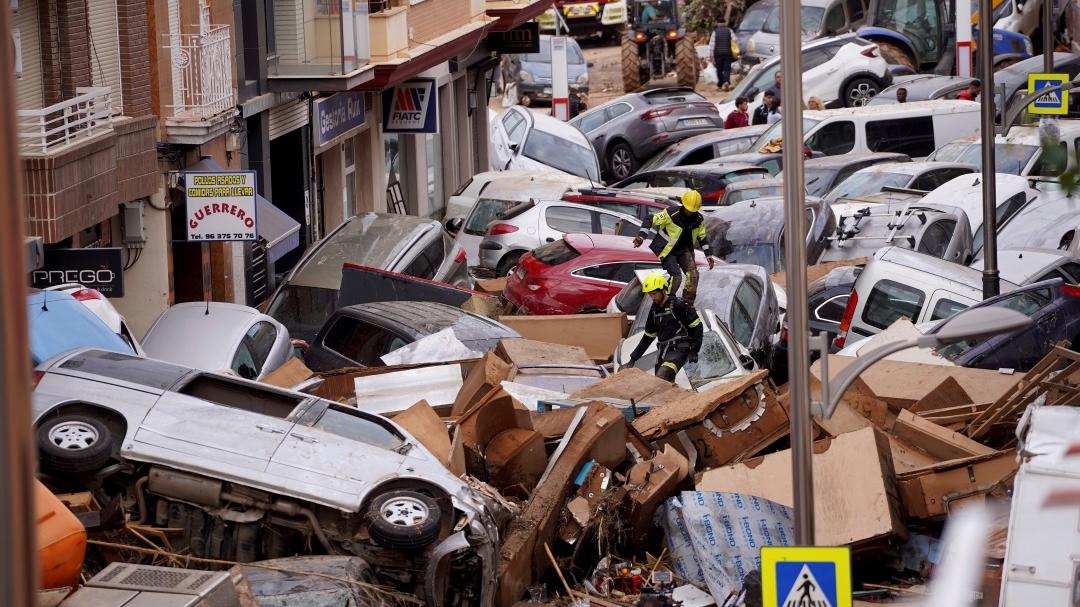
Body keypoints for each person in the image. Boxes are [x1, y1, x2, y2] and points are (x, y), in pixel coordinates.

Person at [633, 190, 716, 304]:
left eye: (693, 210)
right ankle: (667, 301)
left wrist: (708, 255)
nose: (690, 212)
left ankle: (687, 303)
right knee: (676, 277)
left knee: (693, 275)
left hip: (684, 251)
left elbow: (702, 237)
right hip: (667, 250)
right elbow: (650, 218)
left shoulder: (698, 220)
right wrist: (641, 236)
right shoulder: (671, 214)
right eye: (688, 209)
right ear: (683, 205)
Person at [625, 273, 704, 382]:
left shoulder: (678, 305)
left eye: (654, 294)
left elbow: (697, 327)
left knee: (662, 377)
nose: (652, 298)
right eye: (650, 295)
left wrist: (695, 350)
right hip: (663, 352)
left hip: (680, 349)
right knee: (660, 385)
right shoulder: (654, 311)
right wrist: (634, 358)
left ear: (663, 290)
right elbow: (648, 337)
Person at [708, 20, 736, 91]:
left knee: (719, 70)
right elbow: (735, 40)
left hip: (718, 54)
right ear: (725, 23)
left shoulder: (715, 32)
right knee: (727, 69)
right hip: (728, 53)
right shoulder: (729, 30)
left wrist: (711, 56)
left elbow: (712, 45)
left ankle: (720, 84)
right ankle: (726, 81)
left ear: (718, 23)